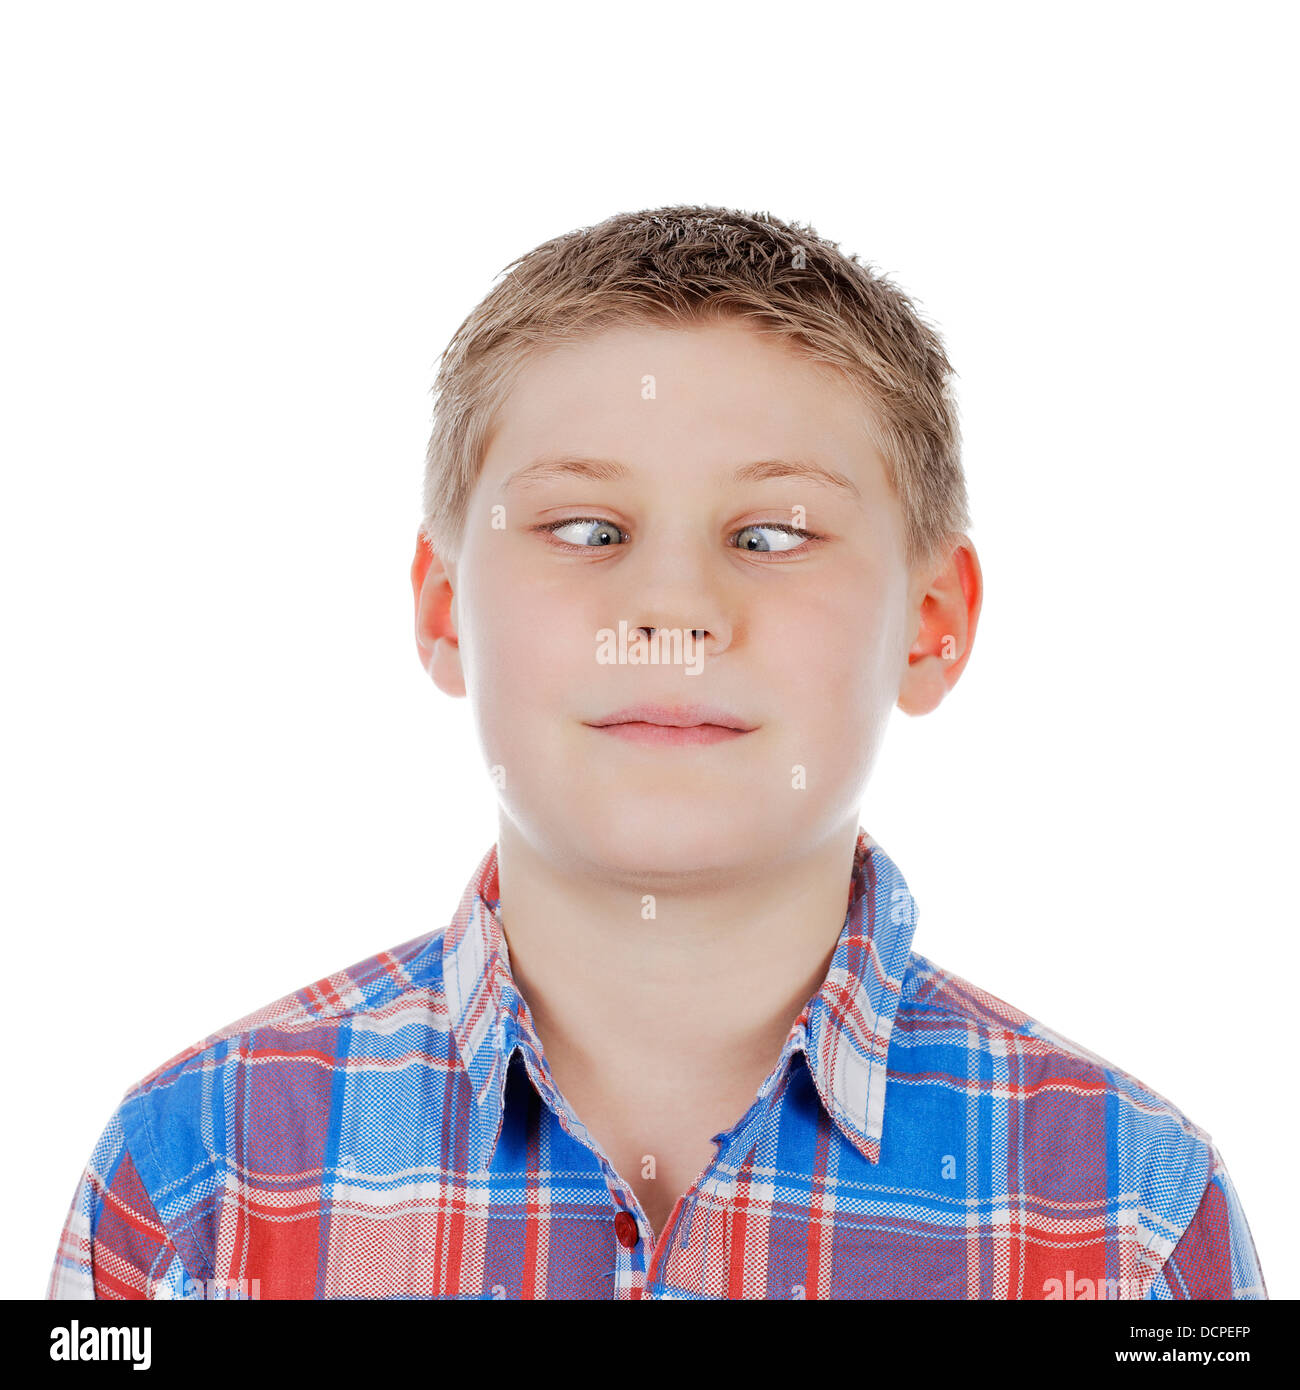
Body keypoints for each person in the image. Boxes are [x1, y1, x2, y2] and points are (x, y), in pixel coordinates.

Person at [48, 205, 1266, 1299]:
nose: (673, 610)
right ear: (444, 607)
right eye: (587, 528)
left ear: (933, 623)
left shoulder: (1126, 1220)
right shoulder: (201, 1182)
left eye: (772, 533)